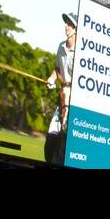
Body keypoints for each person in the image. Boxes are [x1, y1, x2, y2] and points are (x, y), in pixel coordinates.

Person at [44, 12, 77, 164]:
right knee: (51, 136)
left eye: (70, 24)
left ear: (76, 28)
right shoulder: (60, 46)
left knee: (67, 137)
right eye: (66, 23)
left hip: (75, 99)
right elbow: (57, 69)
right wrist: (52, 78)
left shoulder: (83, 51)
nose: (67, 26)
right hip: (62, 96)